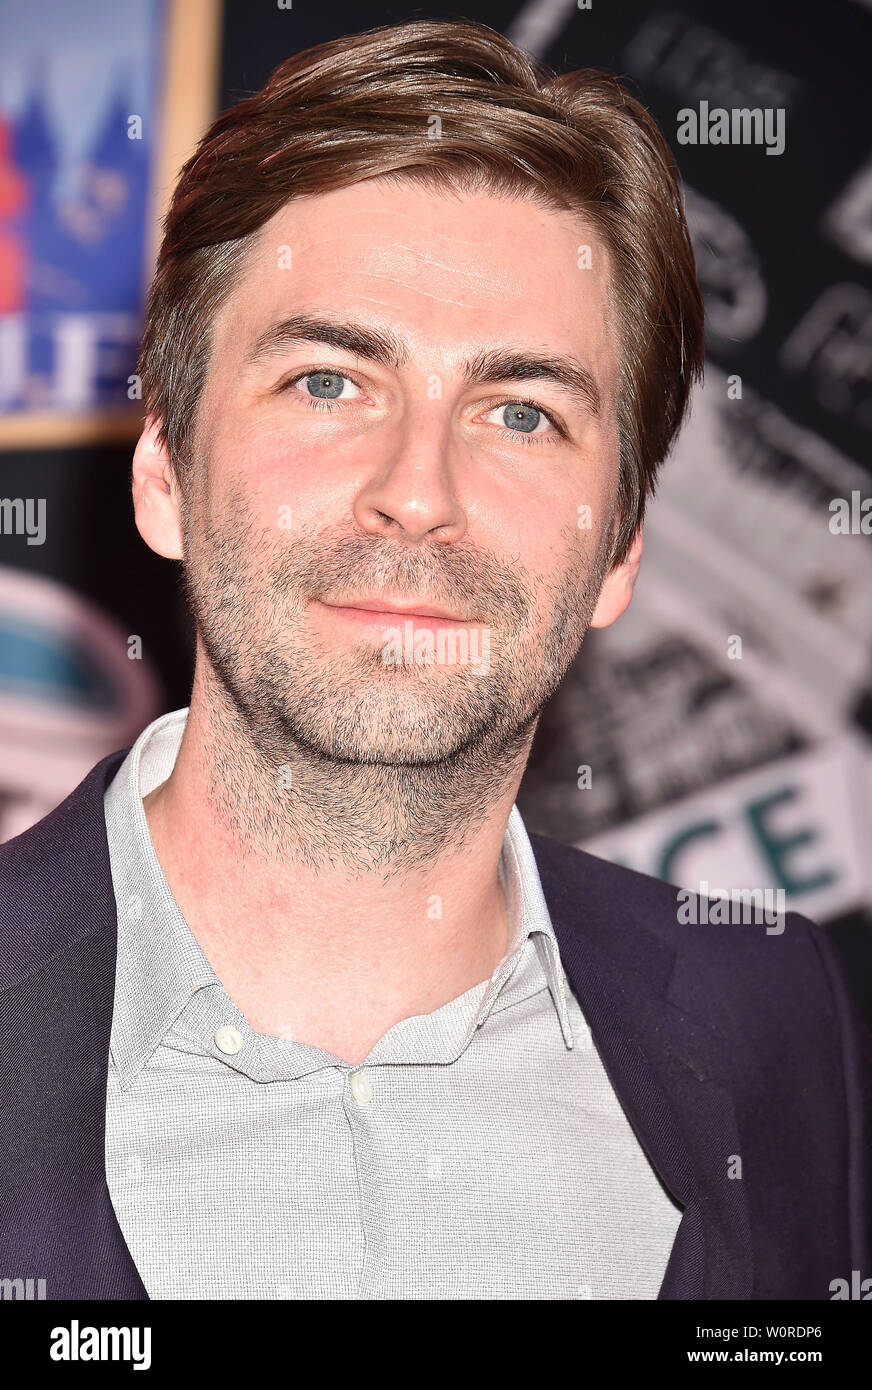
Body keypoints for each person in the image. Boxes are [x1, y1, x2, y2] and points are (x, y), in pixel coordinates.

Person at [1, 19, 868, 1301]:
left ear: (619, 546)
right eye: (327, 384)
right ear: (164, 472)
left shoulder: (770, 1014)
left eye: (520, 412)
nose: (418, 492)